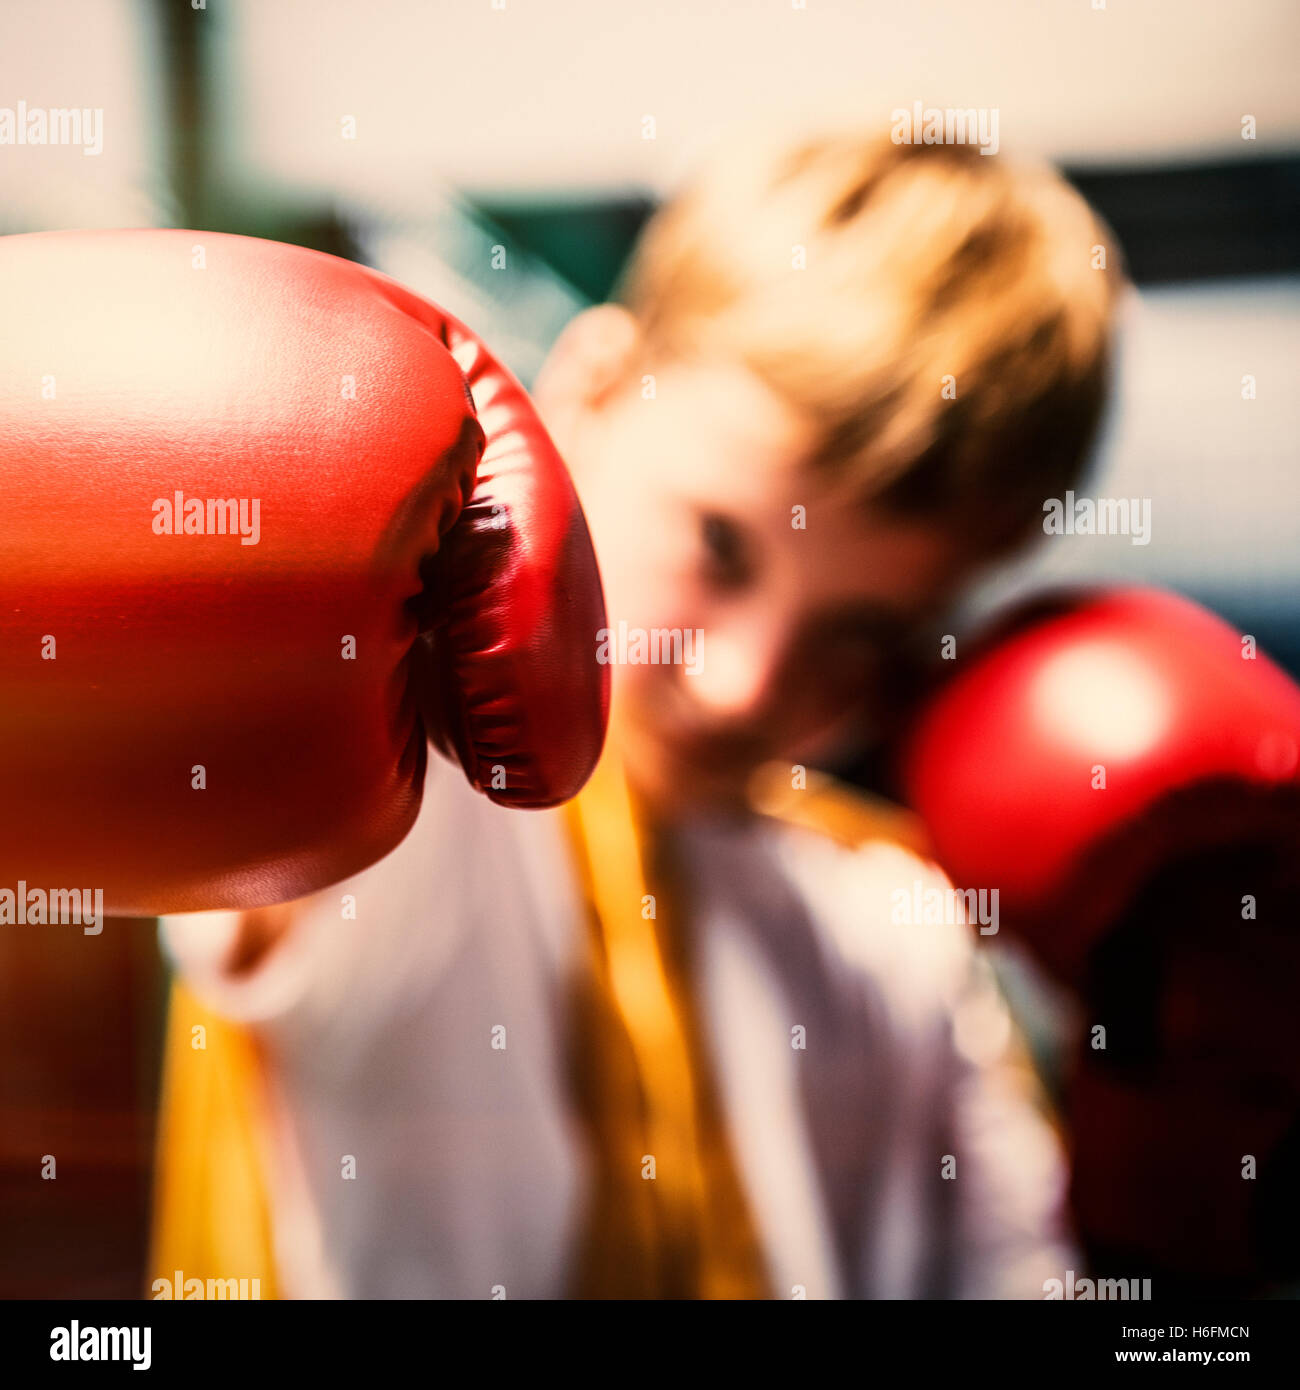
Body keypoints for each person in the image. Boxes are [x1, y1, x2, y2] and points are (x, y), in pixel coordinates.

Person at [152, 130, 1123, 1299]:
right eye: (718, 546)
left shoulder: (898, 932)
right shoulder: (408, 804)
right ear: (591, 389)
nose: (743, 686)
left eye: (859, 636)